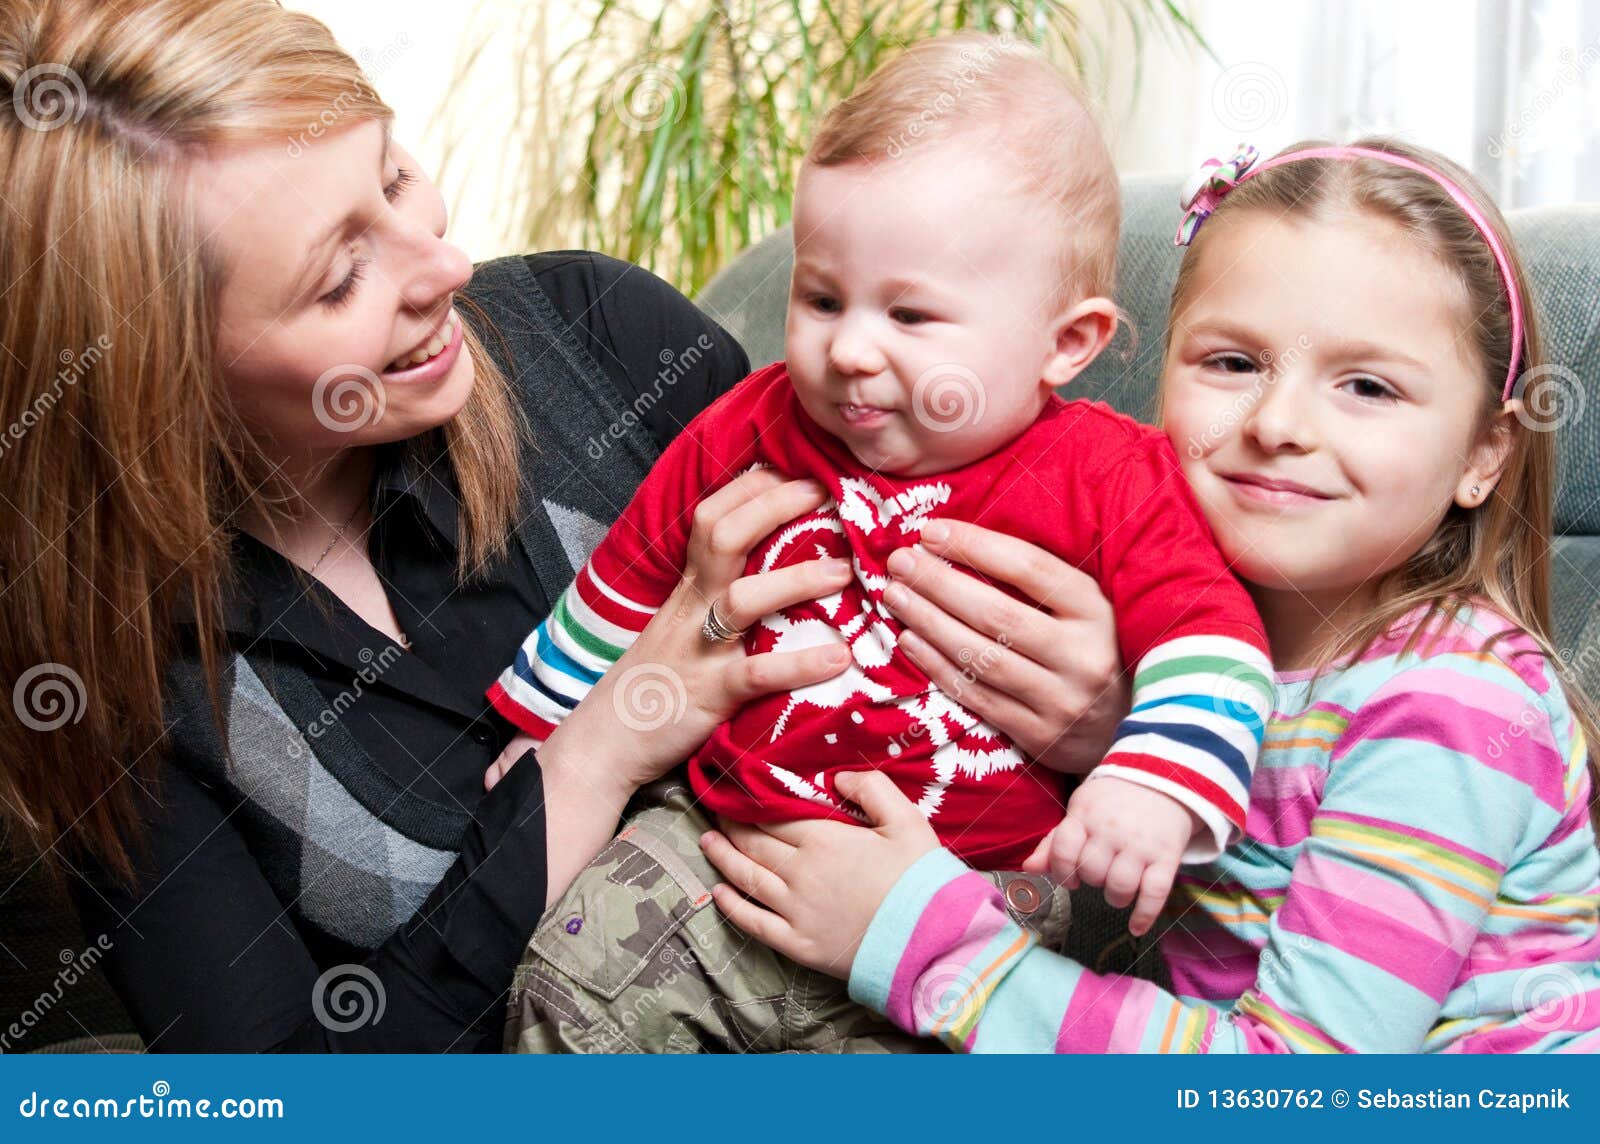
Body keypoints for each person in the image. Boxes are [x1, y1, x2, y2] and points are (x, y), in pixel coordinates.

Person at [0, 0, 1125, 1052]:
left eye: (396, 175)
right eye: (340, 277)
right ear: (156, 374)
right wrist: (599, 749)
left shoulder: (608, 339)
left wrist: (1102, 723)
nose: (442, 264)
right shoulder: (105, 688)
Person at [702, 138, 1600, 1053]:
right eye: (1232, 364)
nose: (1278, 425)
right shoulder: (1148, 637)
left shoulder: (1450, 703)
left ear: (1487, 453)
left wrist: (911, 936)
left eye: (1367, 386)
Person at [492, 33, 1271, 1053]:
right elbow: (629, 579)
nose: (850, 349)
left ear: (1065, 342)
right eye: (821, 298)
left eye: (910, 314)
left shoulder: (1113, 475)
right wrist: (545, 725)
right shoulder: (749, 424)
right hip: (723, 847)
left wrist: (1147, 781)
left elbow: (1211, 638)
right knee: (569, 982)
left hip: (971, 896)